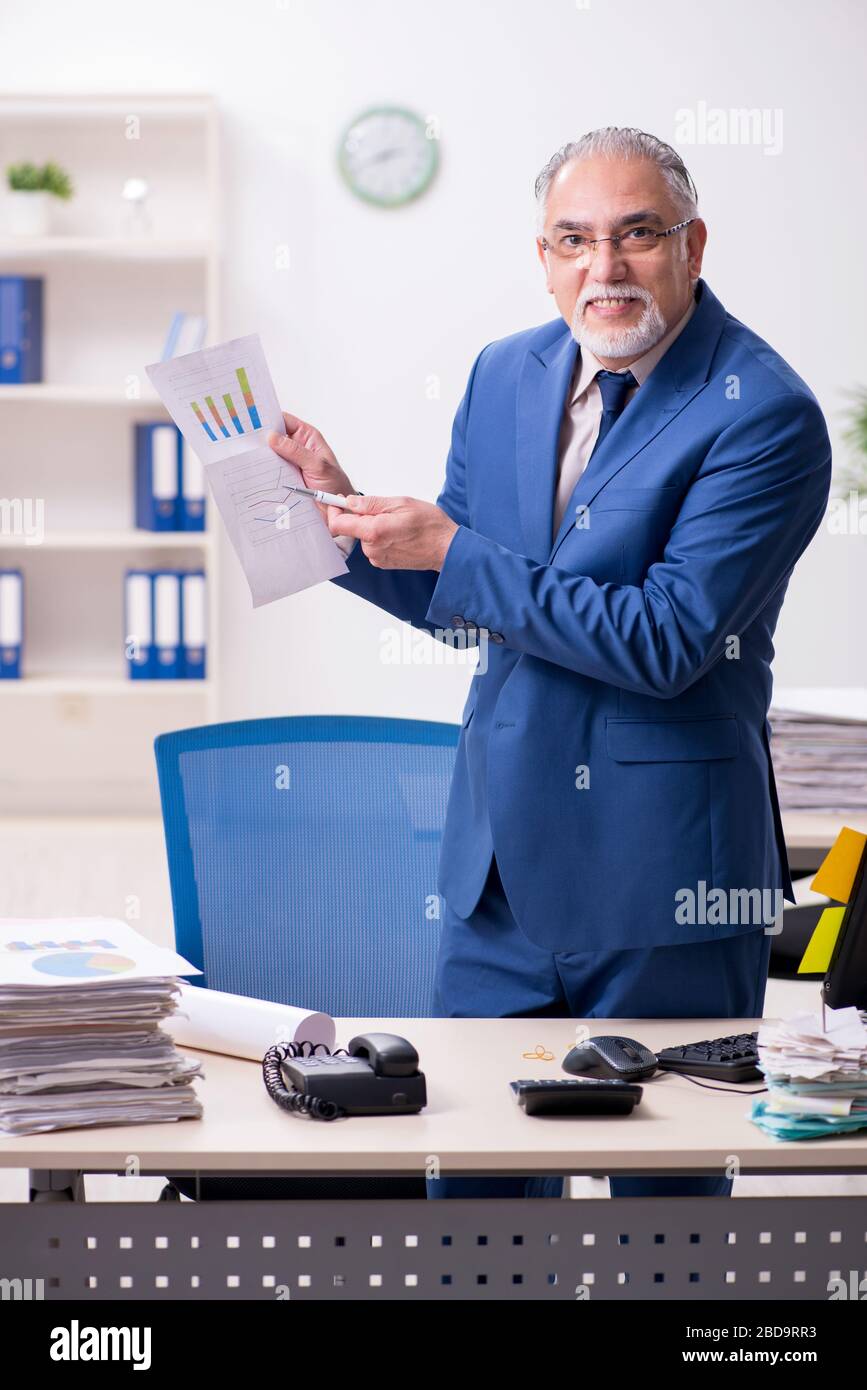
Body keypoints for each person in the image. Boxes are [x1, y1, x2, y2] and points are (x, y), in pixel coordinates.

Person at [268, 126, 831, 1200]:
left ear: (693, 244)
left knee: (664, 1233)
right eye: (573, 239)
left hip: (664, 885)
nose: (604, 268)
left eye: (636, 235)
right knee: (473, 1208)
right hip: (497, 884)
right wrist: (337, 510)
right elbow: (475, 606)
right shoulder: (506, 374)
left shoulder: (763, 414)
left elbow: (669, 639)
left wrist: (454, 549)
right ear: (543, 255)